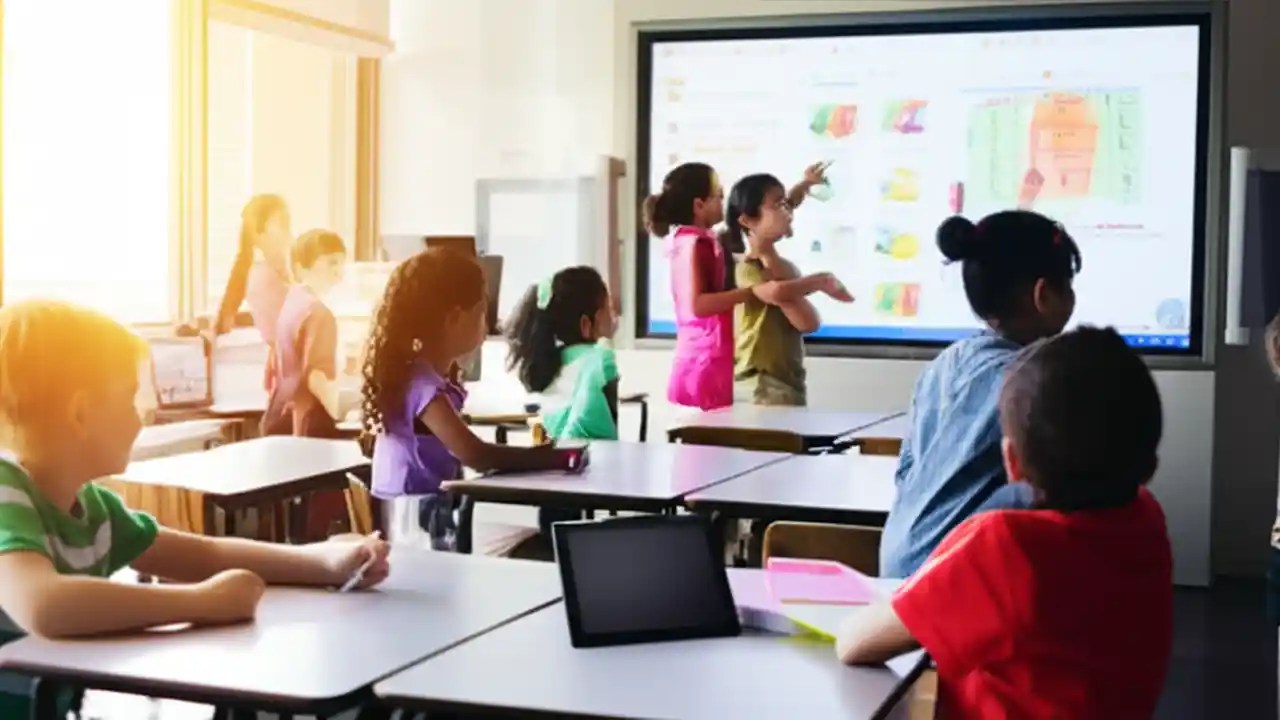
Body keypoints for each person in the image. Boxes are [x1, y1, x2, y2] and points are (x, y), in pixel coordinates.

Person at [0, 300, 389, 716]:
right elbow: (44, 605)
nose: (139, 419)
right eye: (130, 400)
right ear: (80, 414)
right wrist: (202, 604)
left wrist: (325, 564)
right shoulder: (7, 491)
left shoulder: (93, 509)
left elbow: (204, 554)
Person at [835, 326, 1172, 719]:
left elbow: (855, 643)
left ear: (1012, 462)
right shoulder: (1146, 521)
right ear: (1149, 467)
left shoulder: (1007, 548)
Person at [879, 210, 1082, 578]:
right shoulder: (1034, 381)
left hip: (897, 565)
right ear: (1043, 294)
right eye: (1068, 284)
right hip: (954, 576)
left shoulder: (942, 365)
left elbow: (907, 471)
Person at [360, 248, 585, 549]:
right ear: (454, 318)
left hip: (424, 519)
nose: (487, 322)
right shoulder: (422, 384)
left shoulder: (423, 376)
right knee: (541, 549)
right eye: (482, 311)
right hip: (414, 531)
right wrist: (548, 458)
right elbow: (475, 455)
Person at [643, 162, 842, 410]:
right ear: (699, 205)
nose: (786, 211)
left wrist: (801, 188)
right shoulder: (717, 254)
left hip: (749, 375)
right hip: (738, 375)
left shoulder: (707, 243)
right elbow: (698, 304)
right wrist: (818, 282)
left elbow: (770, 214)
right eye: (718, 196)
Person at [506, 266, 617, 540]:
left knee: (556, 534)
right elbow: (611, 420)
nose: (614, 318)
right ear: (586, 324)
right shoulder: (601, 357)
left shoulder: (547, 361)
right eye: (608, 309)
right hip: (589, 463)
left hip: (550, 465)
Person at [725, 172, 853, 406]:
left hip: (783, 382)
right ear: (746, 220)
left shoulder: (782, 267)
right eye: (777, 205)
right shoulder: (747, 268)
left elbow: (807, 322)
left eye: (786, 204)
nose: (786, 211)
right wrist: (820, 281)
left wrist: (805, 185)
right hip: (762, 385)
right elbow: (794, 310)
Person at [263, 229, 348, 438]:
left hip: (285, 417)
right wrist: (344, 410)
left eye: (341, 263)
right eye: (331, 262)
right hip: (311, 422)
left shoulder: (292, 304)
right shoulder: (319, 314)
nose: (339, 272)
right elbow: (315, 376)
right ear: (302, 267)